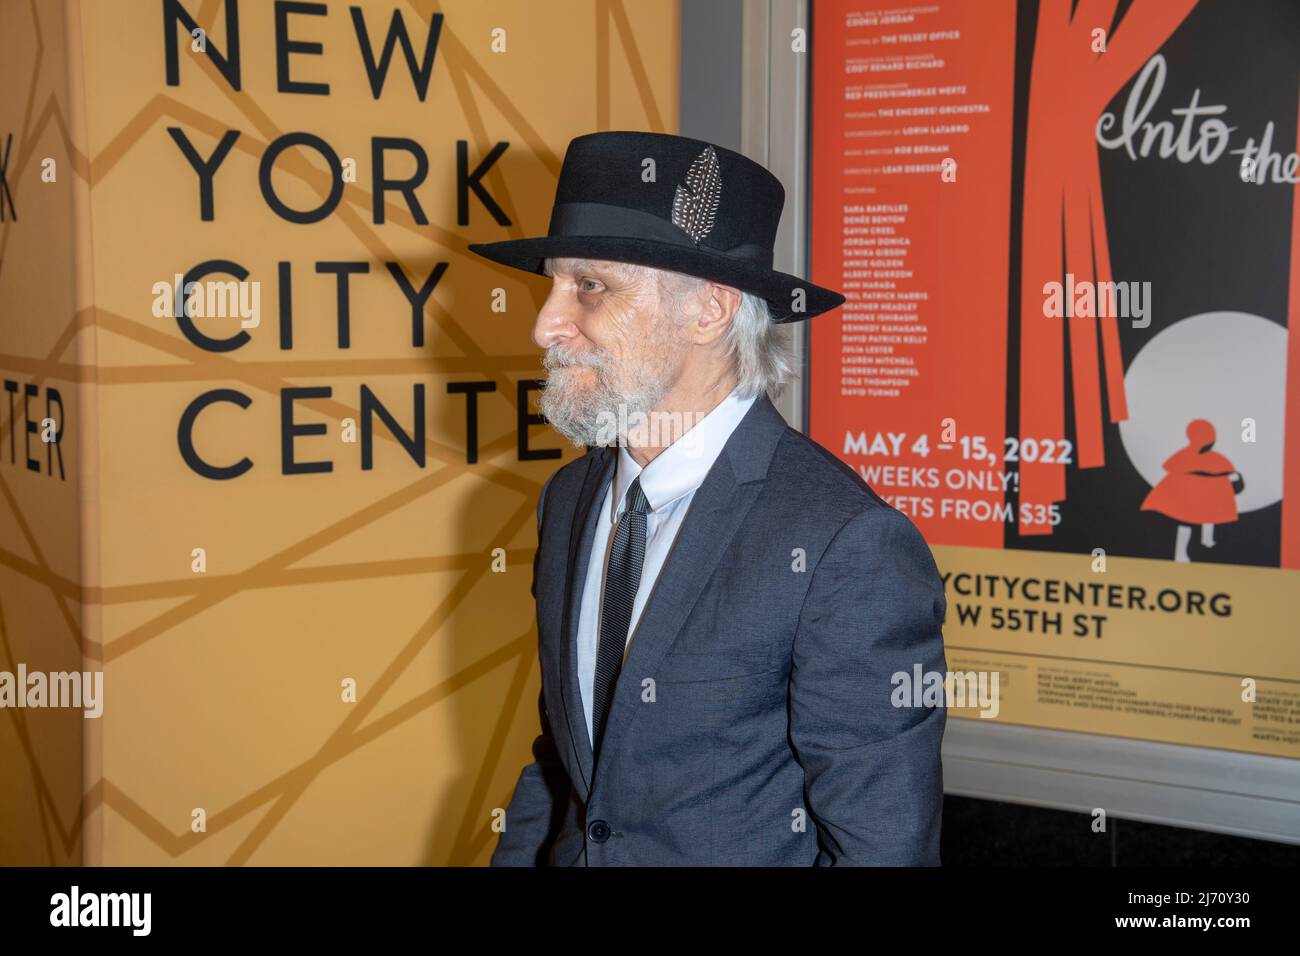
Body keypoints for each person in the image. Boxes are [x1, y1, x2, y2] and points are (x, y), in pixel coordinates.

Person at [469, 130, 948, 866]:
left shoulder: (843, 543)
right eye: (553, 284)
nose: (545, 324)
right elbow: (568, 766)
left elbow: (882, 848)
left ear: (710, 310)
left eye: (589, 286)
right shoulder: (569, 499)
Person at [1140, 418, 1243, 562]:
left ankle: (1202, 543)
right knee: (1190, 523)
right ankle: (1189, 550)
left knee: (1194, 522)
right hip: (1191, 506)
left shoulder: (1192, 458)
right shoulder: (1212, 460)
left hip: (1198, 506)